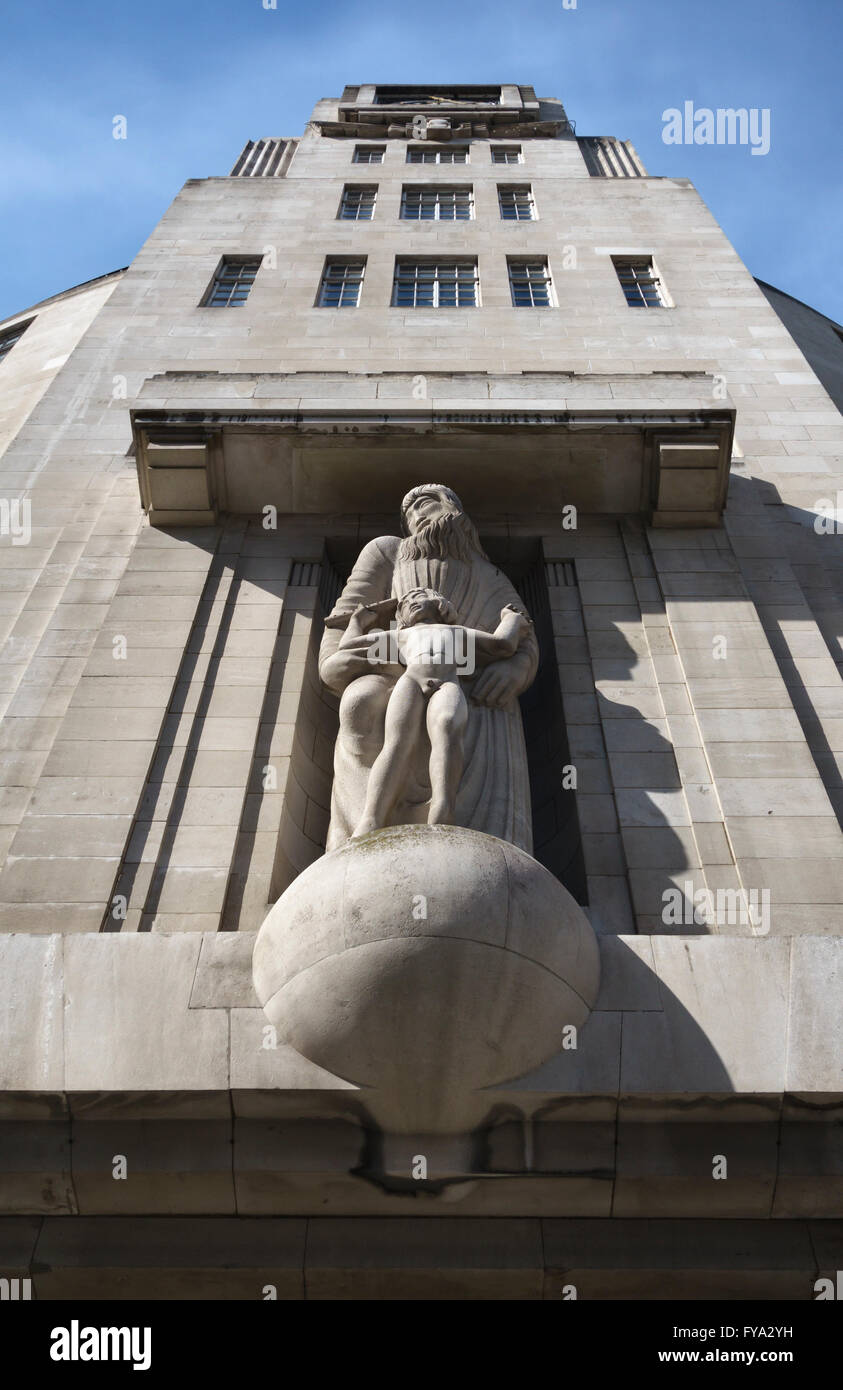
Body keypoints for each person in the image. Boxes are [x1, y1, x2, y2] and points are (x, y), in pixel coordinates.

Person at [319, 484, 539, 851]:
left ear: (452, 506)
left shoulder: (491, 575)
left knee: (458, 721)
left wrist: (518, 667)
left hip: (470, 680)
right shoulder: (387, 551)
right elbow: (346, 621)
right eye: (408, 515)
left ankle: (460, 825)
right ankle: (364, 830)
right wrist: (335, 660)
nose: (416, 517)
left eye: (424, 505)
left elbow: (518, 636)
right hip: (394, 673)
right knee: (362, 702)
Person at [336, 588, 533, 836]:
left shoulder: (456, 632)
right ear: (402, 616)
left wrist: (511, 620)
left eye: (419, 596)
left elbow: (502, 645)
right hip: (410, 682)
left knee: (448, 728)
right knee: (396, 743)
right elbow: (347, 646)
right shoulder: (403, 635)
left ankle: (442, 811)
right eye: (406, 602)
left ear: (439, 602)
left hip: (447, 683)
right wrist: (357, 621)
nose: (412, 602)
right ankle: (371, 818)